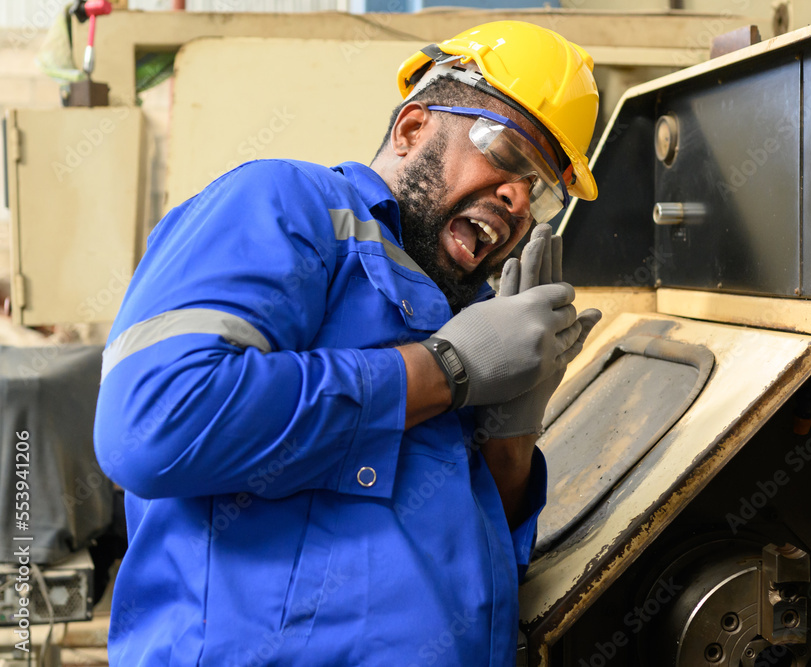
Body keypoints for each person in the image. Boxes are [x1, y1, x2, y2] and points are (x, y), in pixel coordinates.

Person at [94, 20, 601, 666]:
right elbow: (151, 425)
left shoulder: (471, 313)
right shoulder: (290, 205)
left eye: (543, 189)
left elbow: (477, 568)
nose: (519, 198)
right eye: (505, 151)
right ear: (413, 128)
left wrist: (511, 434)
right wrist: (442, 371)